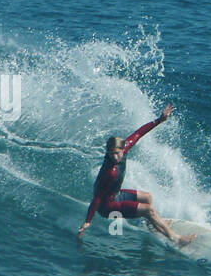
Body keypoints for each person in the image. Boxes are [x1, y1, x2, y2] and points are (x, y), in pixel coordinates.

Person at [77, 104, 194, 246]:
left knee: (147, 197)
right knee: (148, 209)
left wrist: (159, 120)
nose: (115, 157)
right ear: (107, 152)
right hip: (108, 207)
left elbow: (138, 133)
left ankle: (152, 225)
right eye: (111, 153)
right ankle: (176, 239)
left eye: (117, 153)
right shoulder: (109, 173)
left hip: (116, 195)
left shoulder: (125, 147)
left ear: (123, 149)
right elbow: (97, 198)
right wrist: (87, 221)